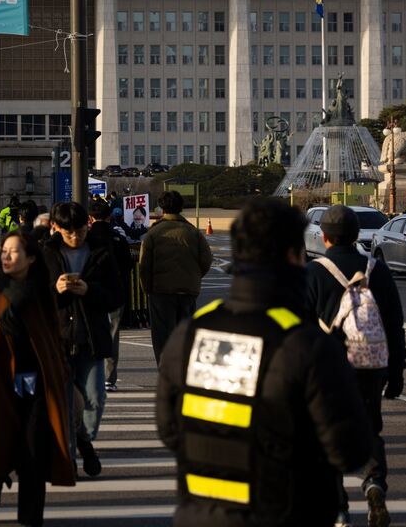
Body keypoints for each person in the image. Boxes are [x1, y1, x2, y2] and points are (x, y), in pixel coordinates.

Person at [156, 197, 373, 526]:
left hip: (198, 514)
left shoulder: (191, 333)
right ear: (293, 255)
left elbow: (169, 431)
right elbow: (350, 450)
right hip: (285, 512)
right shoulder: (306, 345)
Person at [304, 205, 406, 527]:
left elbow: (300, 330)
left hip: (327, 369)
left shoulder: (313, 272)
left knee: (325, 434)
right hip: (371, 365)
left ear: (324, 236)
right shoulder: (378, 270)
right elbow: (394, 324)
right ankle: (374, 483)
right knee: (369, 429)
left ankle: (338, 507)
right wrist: (397, 371)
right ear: (356, 234)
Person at [0, 229, 76, 526]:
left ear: (31, 258)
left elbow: (54, 336)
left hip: (37, 385)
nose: (6, 256)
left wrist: (60, 368)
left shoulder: (42, 295)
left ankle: (30, 519)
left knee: (34, 456)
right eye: (4, 251)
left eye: (13, 252)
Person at [43, 201, 122, 479]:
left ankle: (84, 441)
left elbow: (116, 296)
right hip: (58, 341)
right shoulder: (46, 254)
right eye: (69, 232)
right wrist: (56, 290)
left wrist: (89, 290)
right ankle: (69, 459)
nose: (76, 237)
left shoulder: (101, 251)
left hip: (90, 338)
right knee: (64, 406)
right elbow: (34, 299)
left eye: (80, 231)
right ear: (56, 228)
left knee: (95, 399)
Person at [138, 190, 214, 364]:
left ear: (161, 208)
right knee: (185, 335)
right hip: (188, 290)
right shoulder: (193, 231)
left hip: (161, 291)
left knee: (162, 336)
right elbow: (206, 259)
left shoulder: (154, 233)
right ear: (181, 207)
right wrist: (194, 277)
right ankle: (183, 369)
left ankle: (166, 370)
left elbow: (144, 265)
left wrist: (147, 288)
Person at [88, 200, 135, 392]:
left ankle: (90, 375)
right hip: (115, 293)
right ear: (109, 217)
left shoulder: (86, 239)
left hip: (90, 292)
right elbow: (128, 265)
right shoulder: (118, 238)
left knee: (89, 332)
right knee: (112, 334)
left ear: (90, 218)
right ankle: (109, 377)